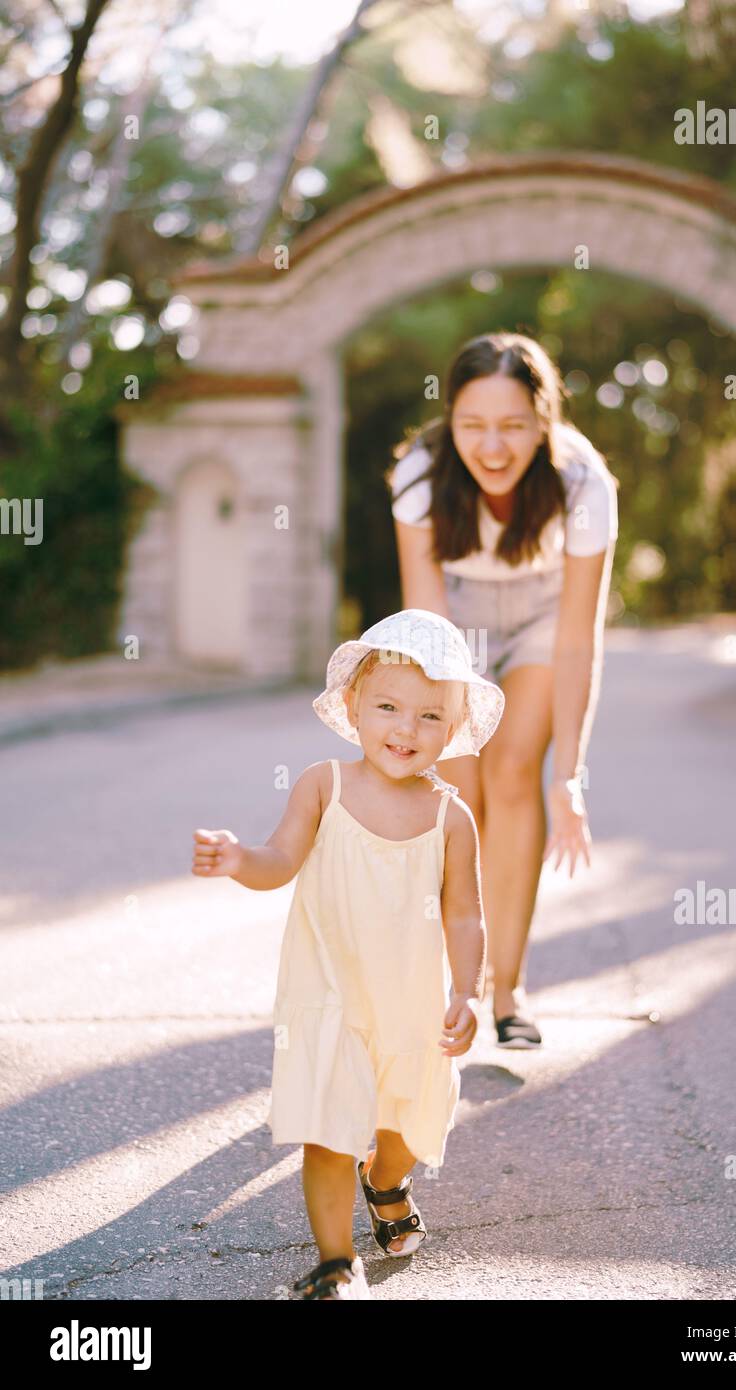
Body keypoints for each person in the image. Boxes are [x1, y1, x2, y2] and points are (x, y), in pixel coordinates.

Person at [191, 609, 504, 1300]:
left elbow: (465, 913)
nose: (405, 729)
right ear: (354, 706)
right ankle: (336, 1264)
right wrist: (240, 857)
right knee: (328, 1131)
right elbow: (279, 861)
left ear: (452, 729)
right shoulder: (323, 785)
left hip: (412, 1006)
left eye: (429, 716)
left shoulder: (452, 817)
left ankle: (386, 1178)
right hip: (328, 995)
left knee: (403, 1127)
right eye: (388, 707)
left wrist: (468, 992)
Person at [387, 331, 618, 1049]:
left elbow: (579, 640)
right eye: (472, 425)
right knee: (461, 790)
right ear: (449, 419)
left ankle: (509, 992)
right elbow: (429, 630)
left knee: (516, 770)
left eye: (513, 425)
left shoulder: (585, 485)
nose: (492, 447)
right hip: (455, 624)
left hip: (544, 617)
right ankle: (459, 985)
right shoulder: (422, 476)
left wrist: (570, 776)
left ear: (544, 420)